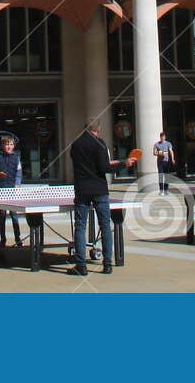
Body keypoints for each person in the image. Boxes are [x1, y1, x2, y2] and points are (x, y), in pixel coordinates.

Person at [69, 117, 123, 276]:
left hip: (82, 189)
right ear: (97, 130)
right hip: (99, 189)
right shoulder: (100, 144)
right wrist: (124, 164)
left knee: (80, 226)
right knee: (105, 225)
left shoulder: (76, 144)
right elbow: (105, 167)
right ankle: (107, 264)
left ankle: (81, 266)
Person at [0, 133, 24, 249]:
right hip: (0, 190)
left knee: (14, 215)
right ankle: (2, 239)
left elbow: (19, 173)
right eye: (6, 144)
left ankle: (18, 238)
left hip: (12, 190)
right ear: (2, 146)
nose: (9, 146)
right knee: (2, 215)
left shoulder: (16, 158)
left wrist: (17, 185)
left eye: (11, 144)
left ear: (13, 146)